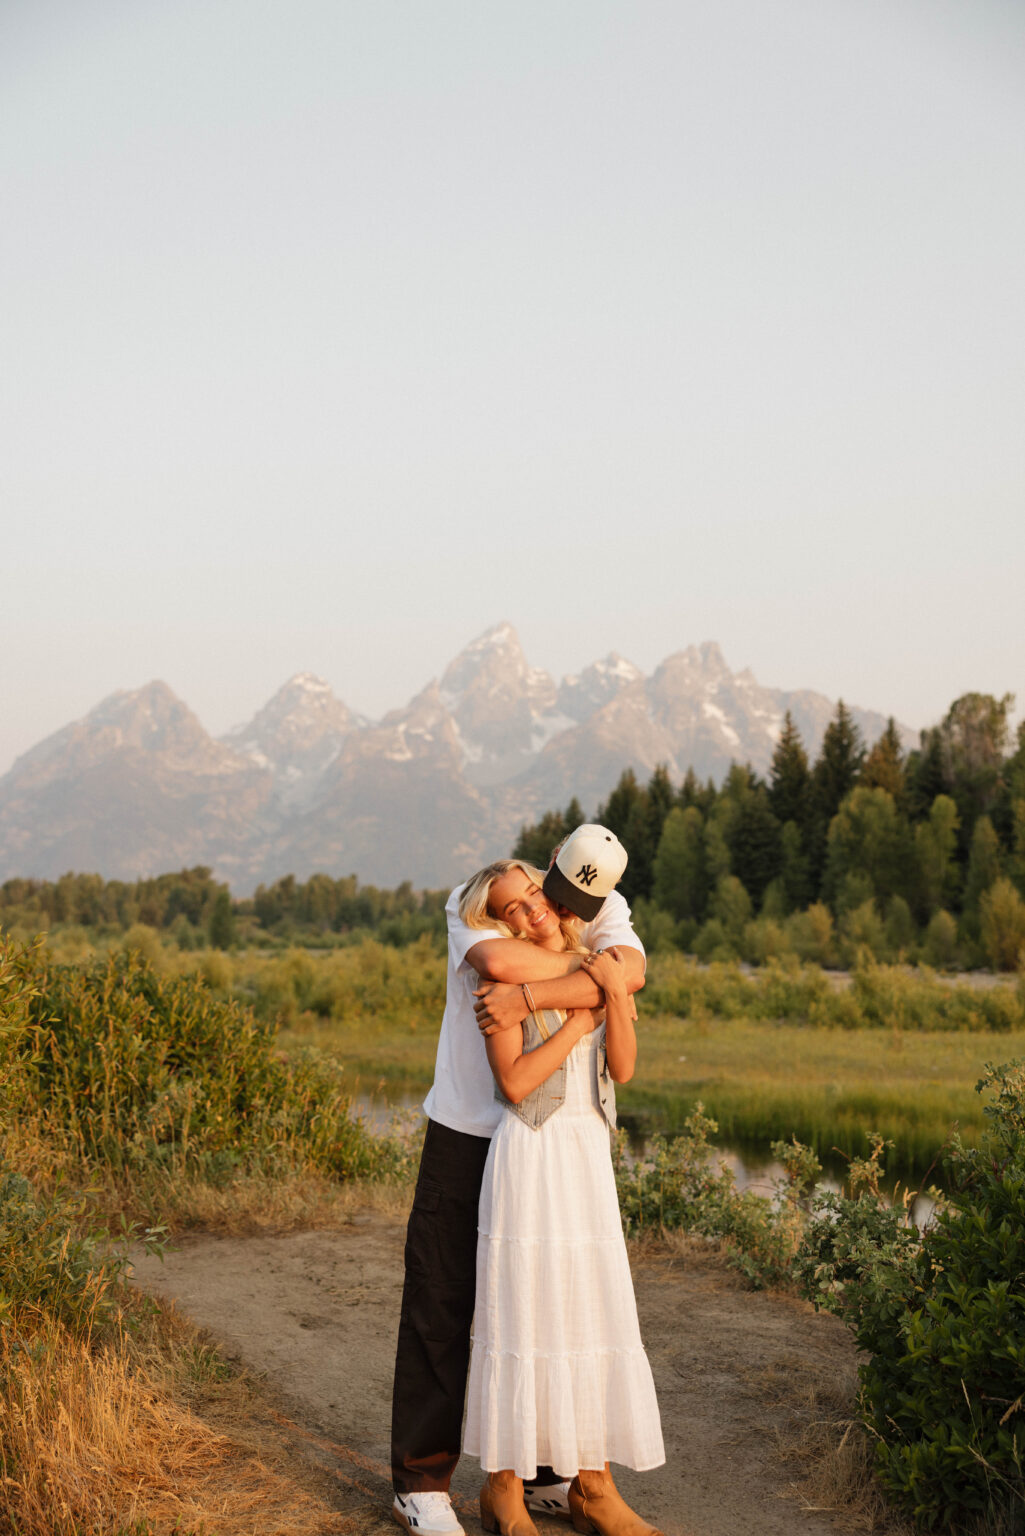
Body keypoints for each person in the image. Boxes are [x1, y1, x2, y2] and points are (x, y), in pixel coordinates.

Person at [391, 826, 648, 1536]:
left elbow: (630, 971)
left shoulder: (596, 900)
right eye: (526, 898)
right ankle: (422, 1484)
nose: (543, 908)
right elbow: (502, 961)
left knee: (552, 1301)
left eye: (545, 897)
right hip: (470, 1128)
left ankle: (547, 1476)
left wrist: (555, 991)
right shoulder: (468, 902)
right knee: (443, 1298)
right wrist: (589, 971)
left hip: (560, 1138)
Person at [460, 851, 664, 1536]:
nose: (530, 911)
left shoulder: (597, 962)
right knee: (521, 1314)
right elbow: (515, 1084)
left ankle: (592, 1487)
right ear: (501, 925)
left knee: (587, 1313)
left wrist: (612, 996)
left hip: (585, 1154)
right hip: (531, 1154)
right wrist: (581, 1014)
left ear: (551, 890)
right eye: (510, 910)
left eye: (532, 895)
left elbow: (624, 1069)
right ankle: (504, 1489)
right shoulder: (498, 982)